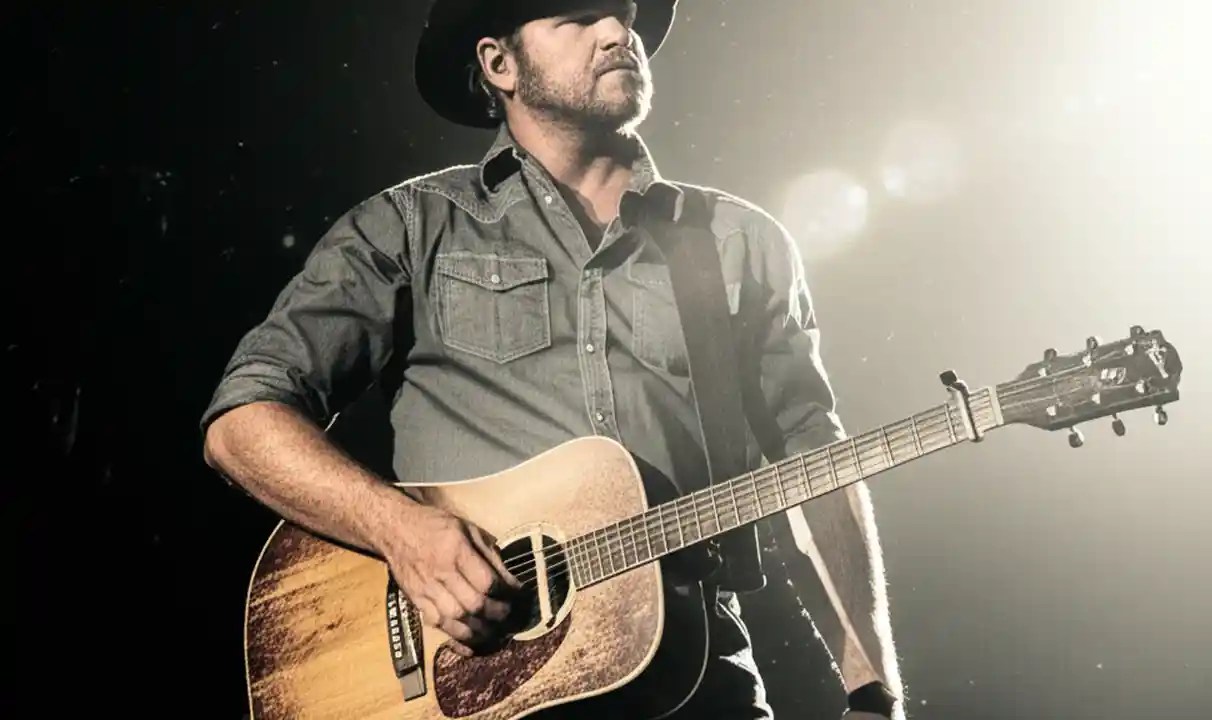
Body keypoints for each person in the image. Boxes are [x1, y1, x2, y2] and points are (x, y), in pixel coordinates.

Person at [201, 0, 904, 717]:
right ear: (498, 64)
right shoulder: (409, 227)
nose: (616, 34)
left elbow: (815, 465)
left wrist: (873, 690)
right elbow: (243, 422)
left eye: (622, 16)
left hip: (697, 673)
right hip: (471, 685)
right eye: (578, 17)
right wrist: (401, 529)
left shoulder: (737, 242)